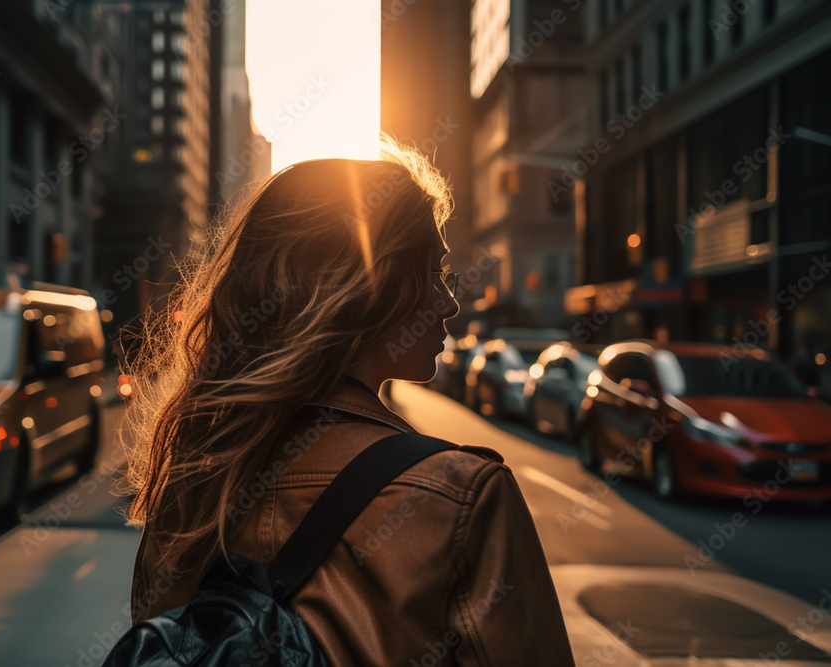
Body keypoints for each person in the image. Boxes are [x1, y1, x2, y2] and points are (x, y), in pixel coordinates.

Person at [120, 139, 575, 665]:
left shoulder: (195, 474)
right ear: (366, 286)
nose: (450, 302)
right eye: (431, 274)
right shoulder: (465, 498)